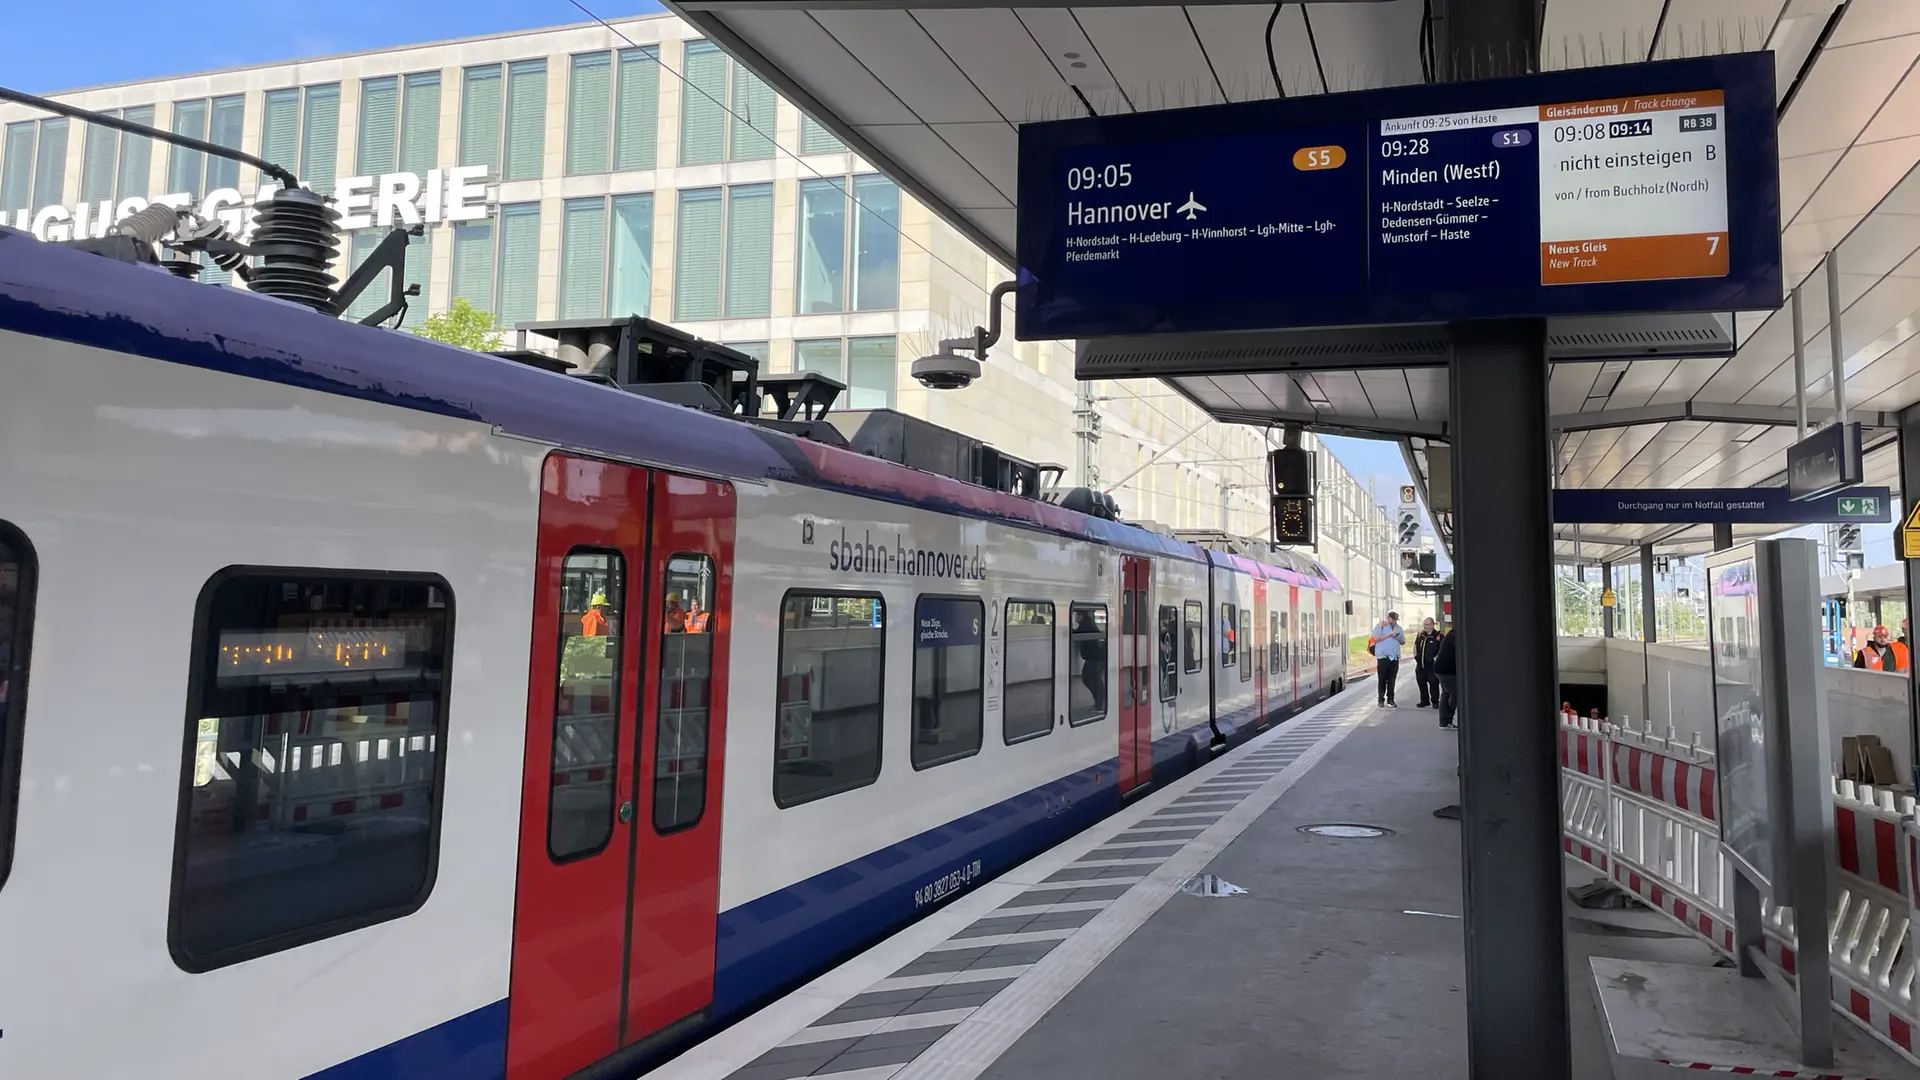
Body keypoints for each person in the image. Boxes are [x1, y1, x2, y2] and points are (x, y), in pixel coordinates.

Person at [1370, 611, 1404, 707]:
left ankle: (1391, 699)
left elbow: (1403, 642)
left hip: (1394, 658)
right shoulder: (1381, 626)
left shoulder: (1399, 628)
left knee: (1392, 679)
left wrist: (1398, 638)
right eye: (1392, 619)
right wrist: (1388, 634)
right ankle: (1380, 699)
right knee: (1382, 679)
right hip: (1383, 657)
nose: (1394, 622)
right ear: (1388, 618)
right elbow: (1375, 638)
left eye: (1395, 620)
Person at [1076, 609, 1106, 709]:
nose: (1075, 617)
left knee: (1088, 678)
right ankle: (1100, 699)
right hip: (1096, 657)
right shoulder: (1088, 624)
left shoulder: (1085, 625)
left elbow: (1077, 634)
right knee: (1094, 679)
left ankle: (1099, 701)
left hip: (1093, 658)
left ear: (1081, 616)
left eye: (1077, 615)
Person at [1412, 617, 1442, 708]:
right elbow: (1415, 646)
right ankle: (1424, 701)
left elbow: (1441, 649)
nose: (1425, 626)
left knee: (1433, 683)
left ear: (1432, 625)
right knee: (1421, 683)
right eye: (1424, 624)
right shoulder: (1421, 635)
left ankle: (1435, 702)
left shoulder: (1438, 636)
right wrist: (1415, 656)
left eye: (1428, 624)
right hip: (1420, 665)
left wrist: (1436, 659)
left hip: (1432, 666)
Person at [1434, 626, 1458, 729]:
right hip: (1447, 670)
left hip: (1440, 668)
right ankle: (1448, 718)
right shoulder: (1456, 635)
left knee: (1446, 693)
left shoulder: (1453, 633)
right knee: (1456, 693)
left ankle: (1444, 722)